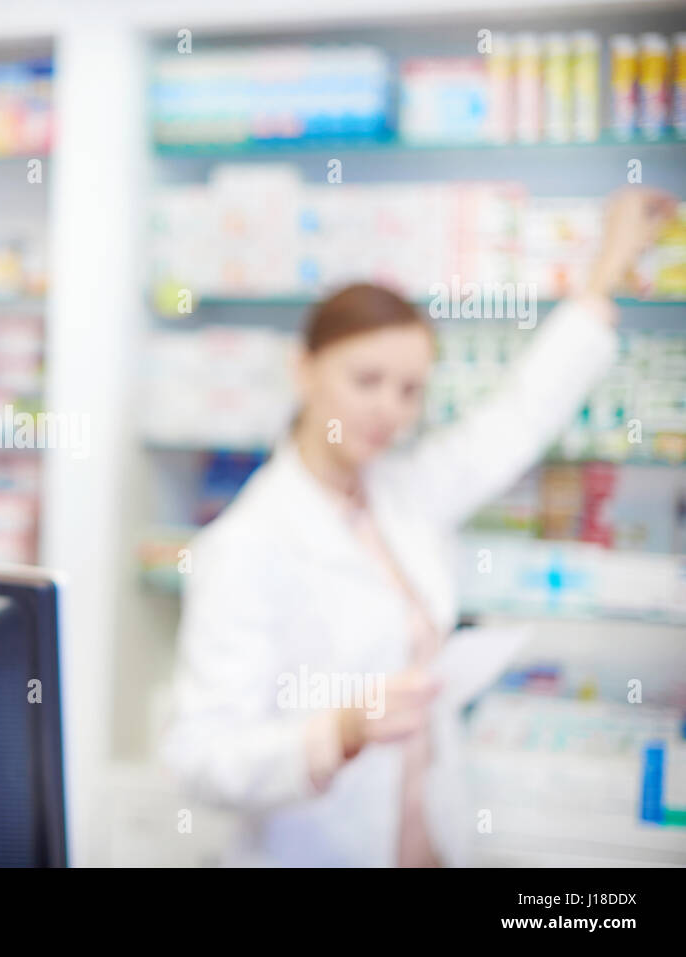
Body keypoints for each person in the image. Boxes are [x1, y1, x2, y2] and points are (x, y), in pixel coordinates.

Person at [158, 186, 678, 867]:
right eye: (366, 380)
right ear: (304, 370)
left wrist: (608, 268)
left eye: (409, 390)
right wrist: (337, 731)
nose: (388, 411)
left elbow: (517, 419)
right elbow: (200, 757)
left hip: (426, 841)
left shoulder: (401, 493)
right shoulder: (246, 544)